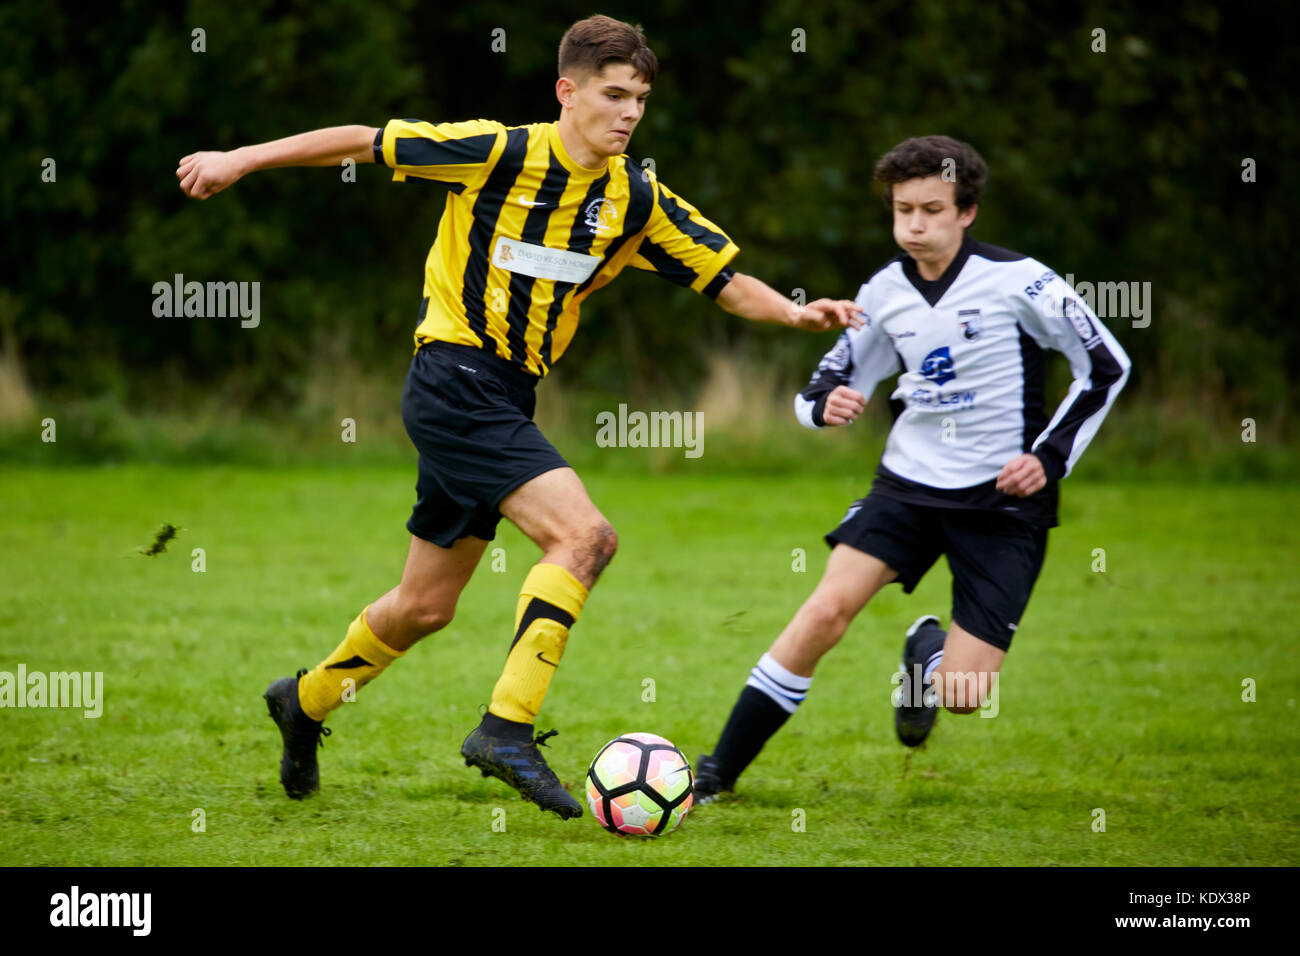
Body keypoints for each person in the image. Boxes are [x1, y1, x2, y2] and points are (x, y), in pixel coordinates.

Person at [175, 14, 860, 819]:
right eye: (613, 94)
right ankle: (506, 727)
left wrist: (797, 313)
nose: (630, 112)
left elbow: (722, 277)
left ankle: (305, 699)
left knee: (425, 606)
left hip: (504, 396)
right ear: (567, 92)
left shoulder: (635, 199)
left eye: (639, 97)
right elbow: (364, 141)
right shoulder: (498, 152)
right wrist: (239, 159)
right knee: (587, 538)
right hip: (451, 377)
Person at [694, 134, 1131, 800]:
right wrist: (827, 406)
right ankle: (715, 777)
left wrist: (1048, 456)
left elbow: (1105, 366)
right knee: (823, 613)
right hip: (907, 487)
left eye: (932, 209)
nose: (915, 226)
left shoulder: (1022, 282)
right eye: (903, 211)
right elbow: (821, 387)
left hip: (1001, 505)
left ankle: (929, 657)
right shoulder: (883, 292)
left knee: (962, 695)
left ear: (968, 212)